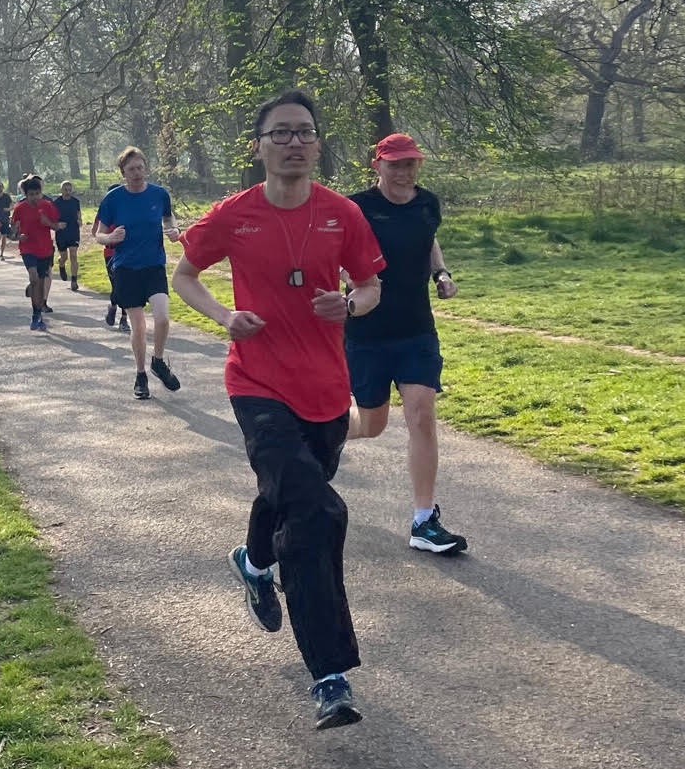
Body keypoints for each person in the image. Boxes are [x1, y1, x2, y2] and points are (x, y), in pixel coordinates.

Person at [172, 89, 385, 731]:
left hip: (325, 390)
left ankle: (254, 561)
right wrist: (223, 318)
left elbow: (372, 285)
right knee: (317, 511)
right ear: (260, 145)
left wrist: (349, 304)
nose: (294, 142)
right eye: (280, 133)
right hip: (257, 384)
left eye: (304, 132)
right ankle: (330, 675)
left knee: (288, 499)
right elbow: (183, 275)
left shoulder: (342, 214)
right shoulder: (232, 216)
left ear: (318, 145)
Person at [345, 133, 467, 555]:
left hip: (417, 330)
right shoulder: (356, 207)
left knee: (421, 415)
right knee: (371, 425)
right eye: (394, 164)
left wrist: (442, 274)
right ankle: (327, 432)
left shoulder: (427, 202)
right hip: (366, 333)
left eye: (410, 163)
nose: (403, 172)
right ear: (377, 165)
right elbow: (338, 253)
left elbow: (428, 240)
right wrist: (348, 283)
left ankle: (423, 520)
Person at [93, 147, 182, 400]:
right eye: (131, 169)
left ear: (146, 167)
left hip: (154, 264)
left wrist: (173, 229)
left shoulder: (159, 194)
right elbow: (98, 234)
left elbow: (168, 218)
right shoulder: (113, 199)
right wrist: (110, 237)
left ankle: (158, 361)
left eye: (140, 167)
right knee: (139, 326)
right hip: (126, 267)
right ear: (123, 172)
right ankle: (141, 374)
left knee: (163, 318)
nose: (137, 173)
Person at [10, 174, 61, 330]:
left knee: (39, 284)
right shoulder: (20, 208)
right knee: (34, 279)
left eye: (37, 194)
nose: (34, 197)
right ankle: (35, 313)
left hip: (44, 249)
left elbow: (57, 226)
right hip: (28, 248)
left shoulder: (47, 206)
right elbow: (13, 232)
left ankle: (37, 313)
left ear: (41, 193)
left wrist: (49, 223)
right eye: (30, 194)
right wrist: (19, 236)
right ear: (25, 195)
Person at [54, 181, 83, 288]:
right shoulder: (56, 202)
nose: (67, 192)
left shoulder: (76, 202)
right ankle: (61, 264)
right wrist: (57, 224)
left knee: (74, 255)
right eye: (65, 190)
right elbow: (52, 218)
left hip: (73, 231)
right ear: (61, 190)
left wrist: (80, 220)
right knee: (64, 257)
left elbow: (78, 214)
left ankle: (74, 281)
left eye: (69, 190)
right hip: (61, 233)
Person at [0, 182, 14, 257]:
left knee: (4, 236)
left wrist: (8, 209)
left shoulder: (6, 196)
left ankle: (2, 254)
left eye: (0, 186)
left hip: (5, 219)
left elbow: (12, 206)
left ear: (3, 187)